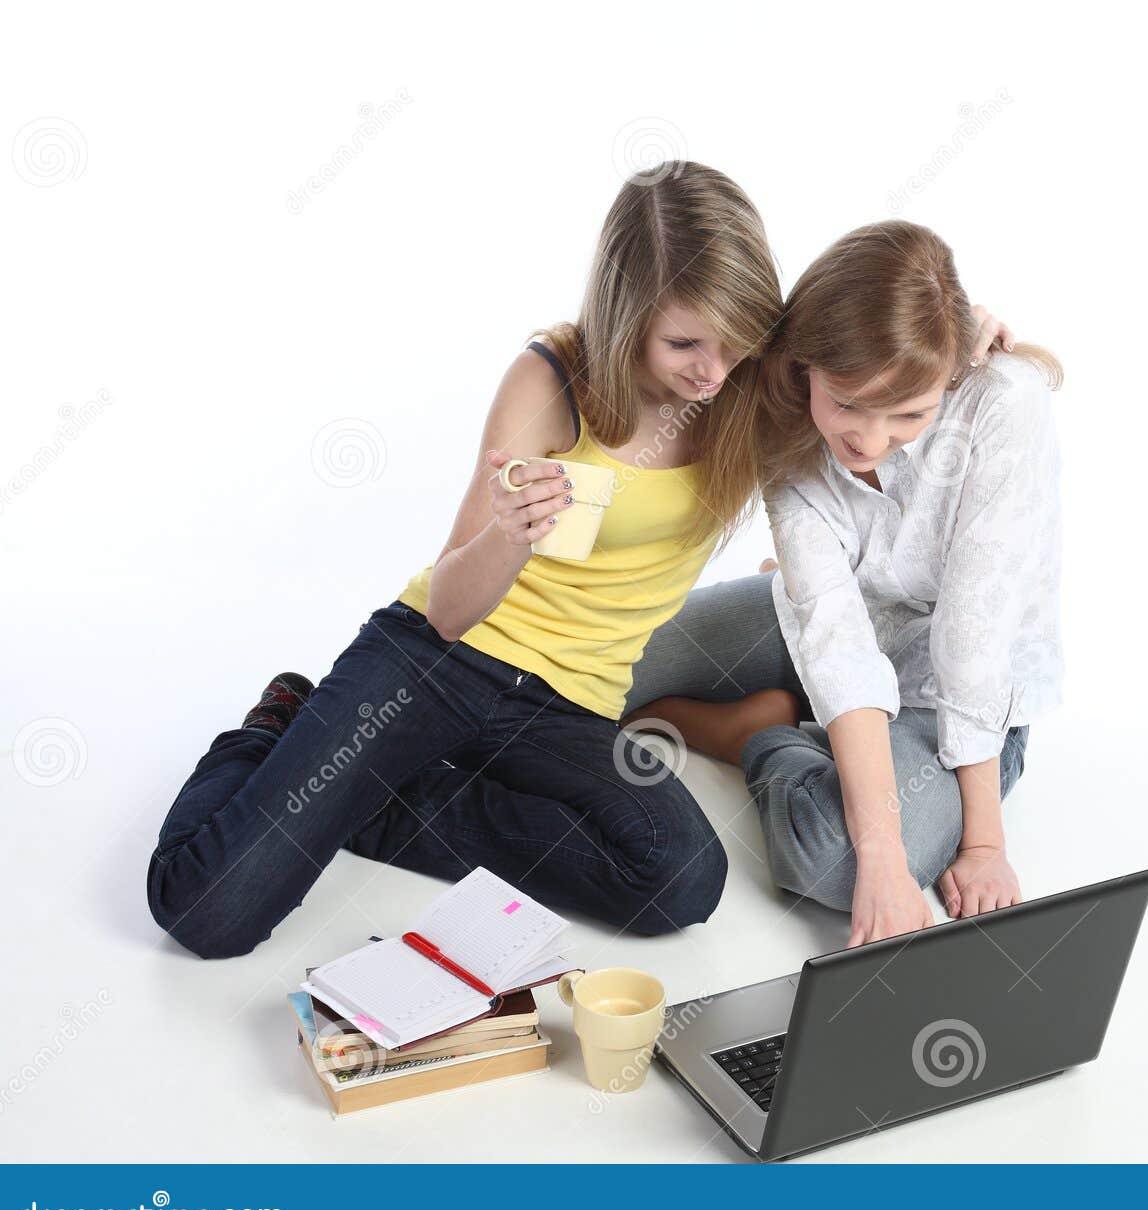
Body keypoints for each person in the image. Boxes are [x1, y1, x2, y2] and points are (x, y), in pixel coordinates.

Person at [146, 162, 785, 957]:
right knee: (207, 912)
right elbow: (449, 610)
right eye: (683, 343)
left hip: (568, 708)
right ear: (626, 319)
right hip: (437, 661)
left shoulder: (752, 393)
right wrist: (510, 534)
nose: (713, 371)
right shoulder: (554, 381)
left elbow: (862, 394)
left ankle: (365, 800)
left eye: (733, 341)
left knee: (679, 876)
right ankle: (274, 730)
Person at [625, 221, 1063, 947]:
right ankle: (802, 715)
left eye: (910, 414)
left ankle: (762, 734)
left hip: (954, 703)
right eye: (849, 404)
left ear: (949, 375)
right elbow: (834, 638)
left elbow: (975, 641)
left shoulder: (1003, 402)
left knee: (835, 859)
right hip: (828, 622)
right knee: (610, 660)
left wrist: (980, 844)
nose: (871, 439)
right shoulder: (780, 417)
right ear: (806, 367)